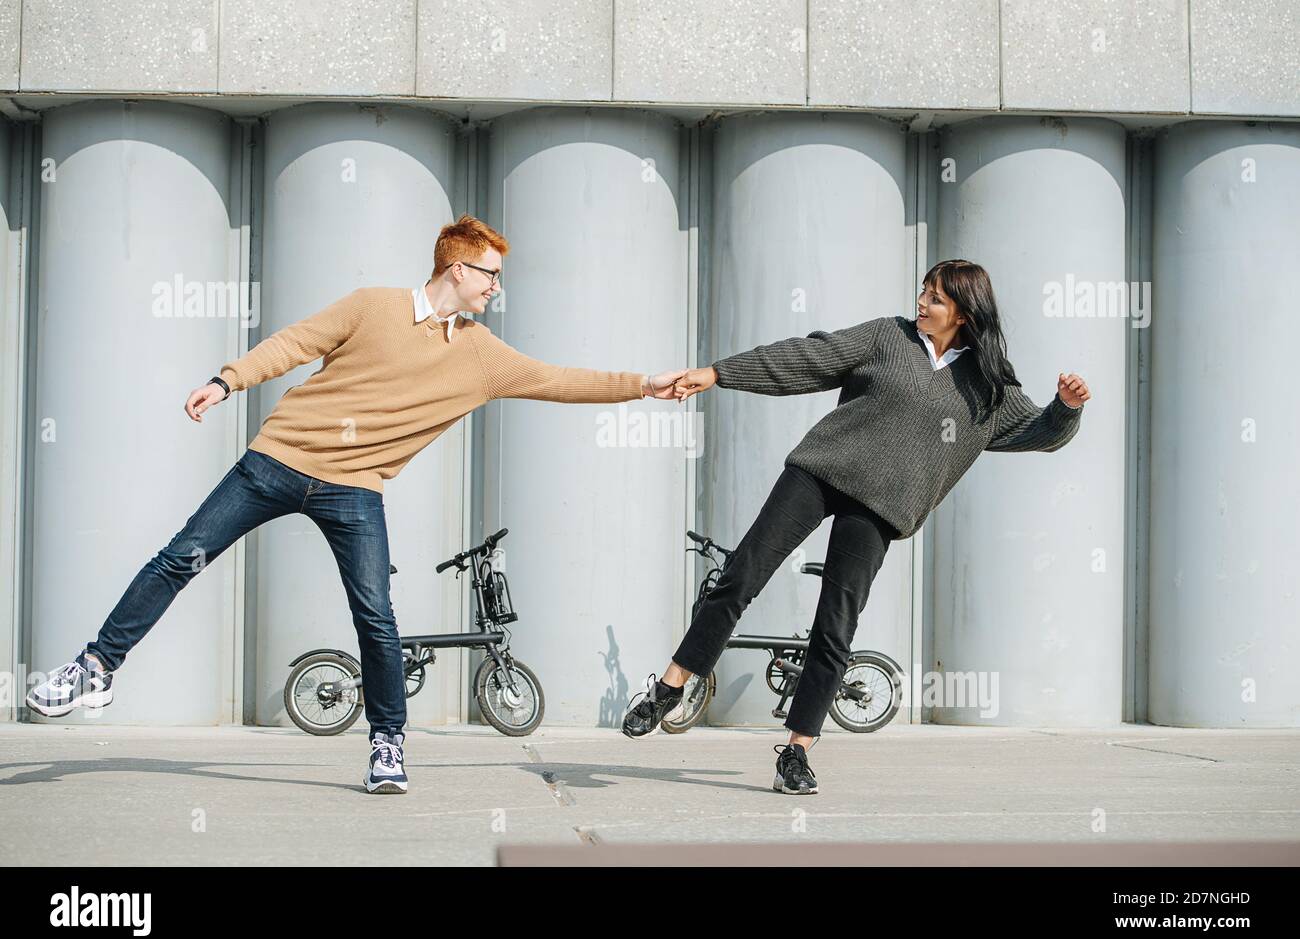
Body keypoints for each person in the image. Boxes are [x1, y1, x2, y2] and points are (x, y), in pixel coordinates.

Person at [27, 214, 687, 795]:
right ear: (456, 270)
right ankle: (94, 667)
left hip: (355, 490)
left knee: (376, 616)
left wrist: (643, 385)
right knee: (180, 559)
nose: (496, 288)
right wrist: (226, 380)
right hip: (274, 463)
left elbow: (560, 380)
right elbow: (294, 343)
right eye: (489, 275)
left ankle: (387, 744)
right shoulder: (372, 306)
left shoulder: (483, 357)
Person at [622, 259, 1091, 795]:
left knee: (835, 624)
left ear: (963, 312)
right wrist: (718, 373)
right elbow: (808, 355)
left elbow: (1039, 431)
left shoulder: (988, 387)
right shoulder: (886, 337)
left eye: (935, 298)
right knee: (742, 574)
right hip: (819, 474)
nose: (921, 301)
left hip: (879, 508)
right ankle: (671, 685)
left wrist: (1066, 408)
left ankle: (797, 751)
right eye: (923, 290)